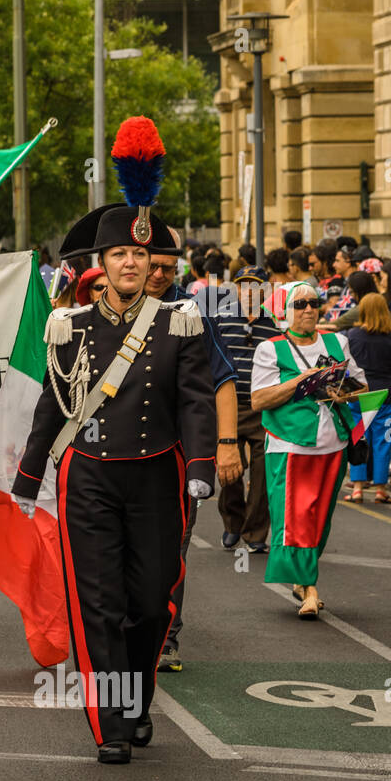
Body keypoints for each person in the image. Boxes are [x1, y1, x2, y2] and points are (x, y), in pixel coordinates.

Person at [11, 117, 216, 764]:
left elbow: (195, 398)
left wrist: (202, 464)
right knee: (97, 603)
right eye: (119, 255)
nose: (131, 263)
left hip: (157, 475)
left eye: (141, 255)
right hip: (89, 477)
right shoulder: (68, 327)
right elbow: (52, 401)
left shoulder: (179, 321)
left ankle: (137, 698)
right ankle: (113, 724)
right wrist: (27, 474)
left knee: (151, 600)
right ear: (100, 266)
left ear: (153, 263)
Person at [149, 236, 240, 675]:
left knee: (170, 549)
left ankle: (166, 637)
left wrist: (226, 444)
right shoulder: (100, 314)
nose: (160, 275)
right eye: (153, 265)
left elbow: (222, 380)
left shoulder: (191, 312)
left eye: (169, 267)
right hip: (111, 457)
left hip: (178, 458)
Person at [251, 282, 366, 619]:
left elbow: (361, 387)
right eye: (299, 303)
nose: (308, 309)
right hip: (290, 445)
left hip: (334, 444)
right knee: (296, 518)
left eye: (314, 303)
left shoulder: (338, 342)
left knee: (320, 520)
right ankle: (311, 589)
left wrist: (345, 391)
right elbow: (259, 399)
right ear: (285, 311)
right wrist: (304, 381)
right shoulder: (270, 349)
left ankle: (302, 580)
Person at [214, 265, 283, 551]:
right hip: (230, 407)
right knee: (230, 471)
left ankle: (255, 534)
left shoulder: (275, 323)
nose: (249, 291)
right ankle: (232, 523)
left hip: (264, 408)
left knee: (263, 473)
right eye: (244, 285)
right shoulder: (221, 318)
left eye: (256, 286)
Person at [344, 293, 391, 503]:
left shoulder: (352, 335)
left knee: (358, 438)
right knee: (384, 441)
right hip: (386, 395)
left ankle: (358, 488)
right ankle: (381, 489)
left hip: (359, 395)